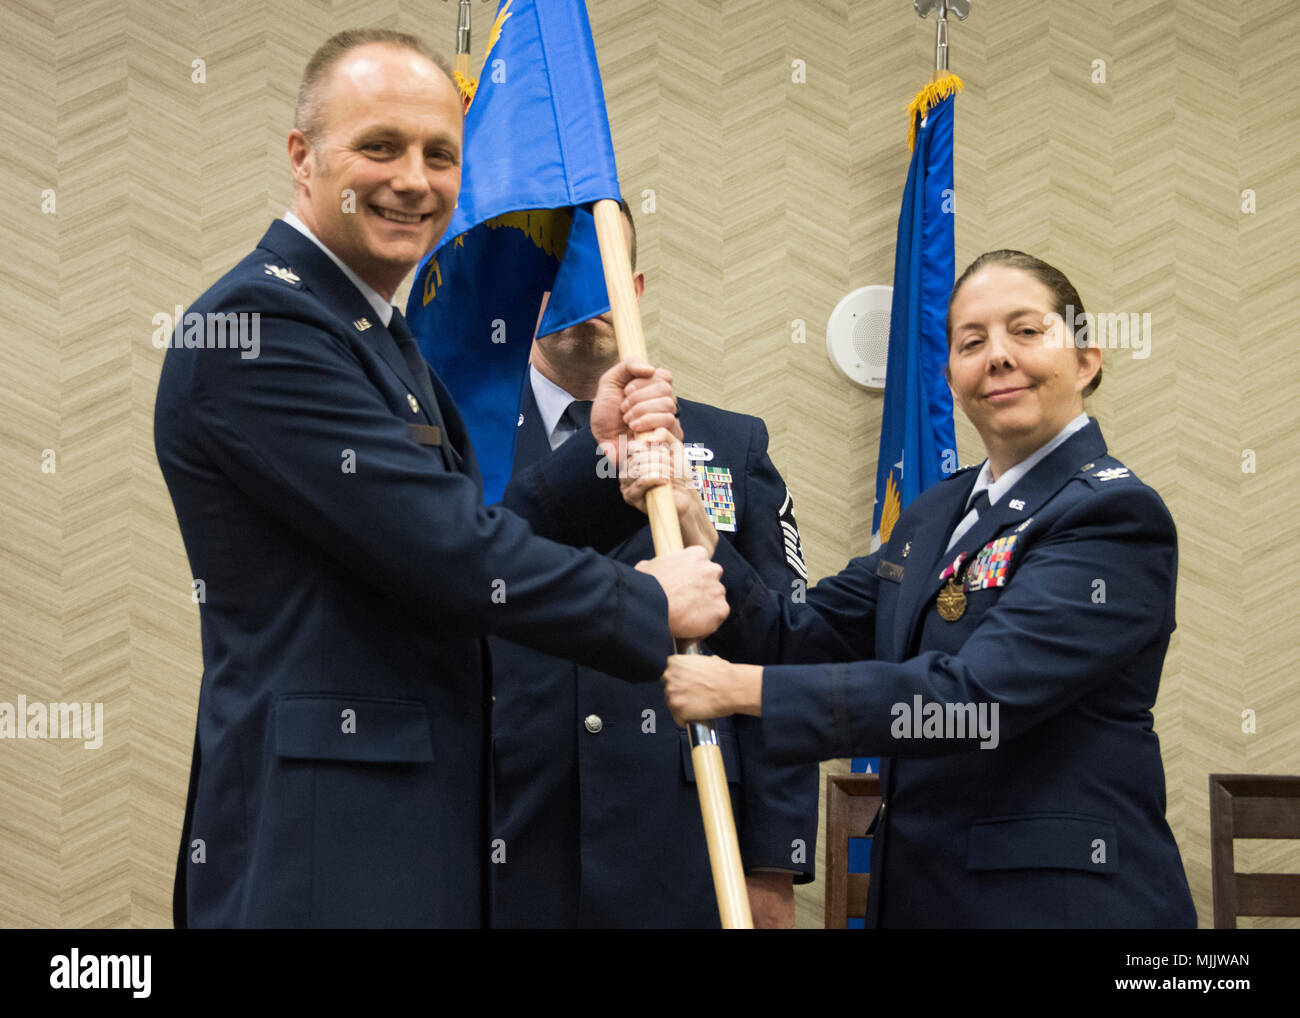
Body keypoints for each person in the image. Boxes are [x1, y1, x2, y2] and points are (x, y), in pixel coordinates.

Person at [153, 28, 728, 929]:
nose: (415, 180)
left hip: (403, 819)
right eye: (379, 147)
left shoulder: (371, 330)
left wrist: (597, 461)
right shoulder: (262, 323)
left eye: (440, 154)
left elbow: (443, 523)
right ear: (303, 158)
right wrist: (644, 603)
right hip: (330, 842)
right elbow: (446, 551)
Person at [632, 250, 1197, 928]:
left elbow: (973, 700)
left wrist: (738, 691)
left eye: (1026, 331)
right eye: (971, 342)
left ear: (1086, 359)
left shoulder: (1112, 516)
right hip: (925, 895)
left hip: (1056, 906)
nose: (997, 356)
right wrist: (703, 535)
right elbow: (801, 634)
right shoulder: (938, 513)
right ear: (951, 376)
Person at [489, 200, 818, 929]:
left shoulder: (729, 446)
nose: (581, 298)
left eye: (596, 274)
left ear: (632, 289)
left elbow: (780, 657)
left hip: (681, 836)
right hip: (507, 825)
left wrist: (774, 865)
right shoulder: (463, 439)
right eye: (558, 273)